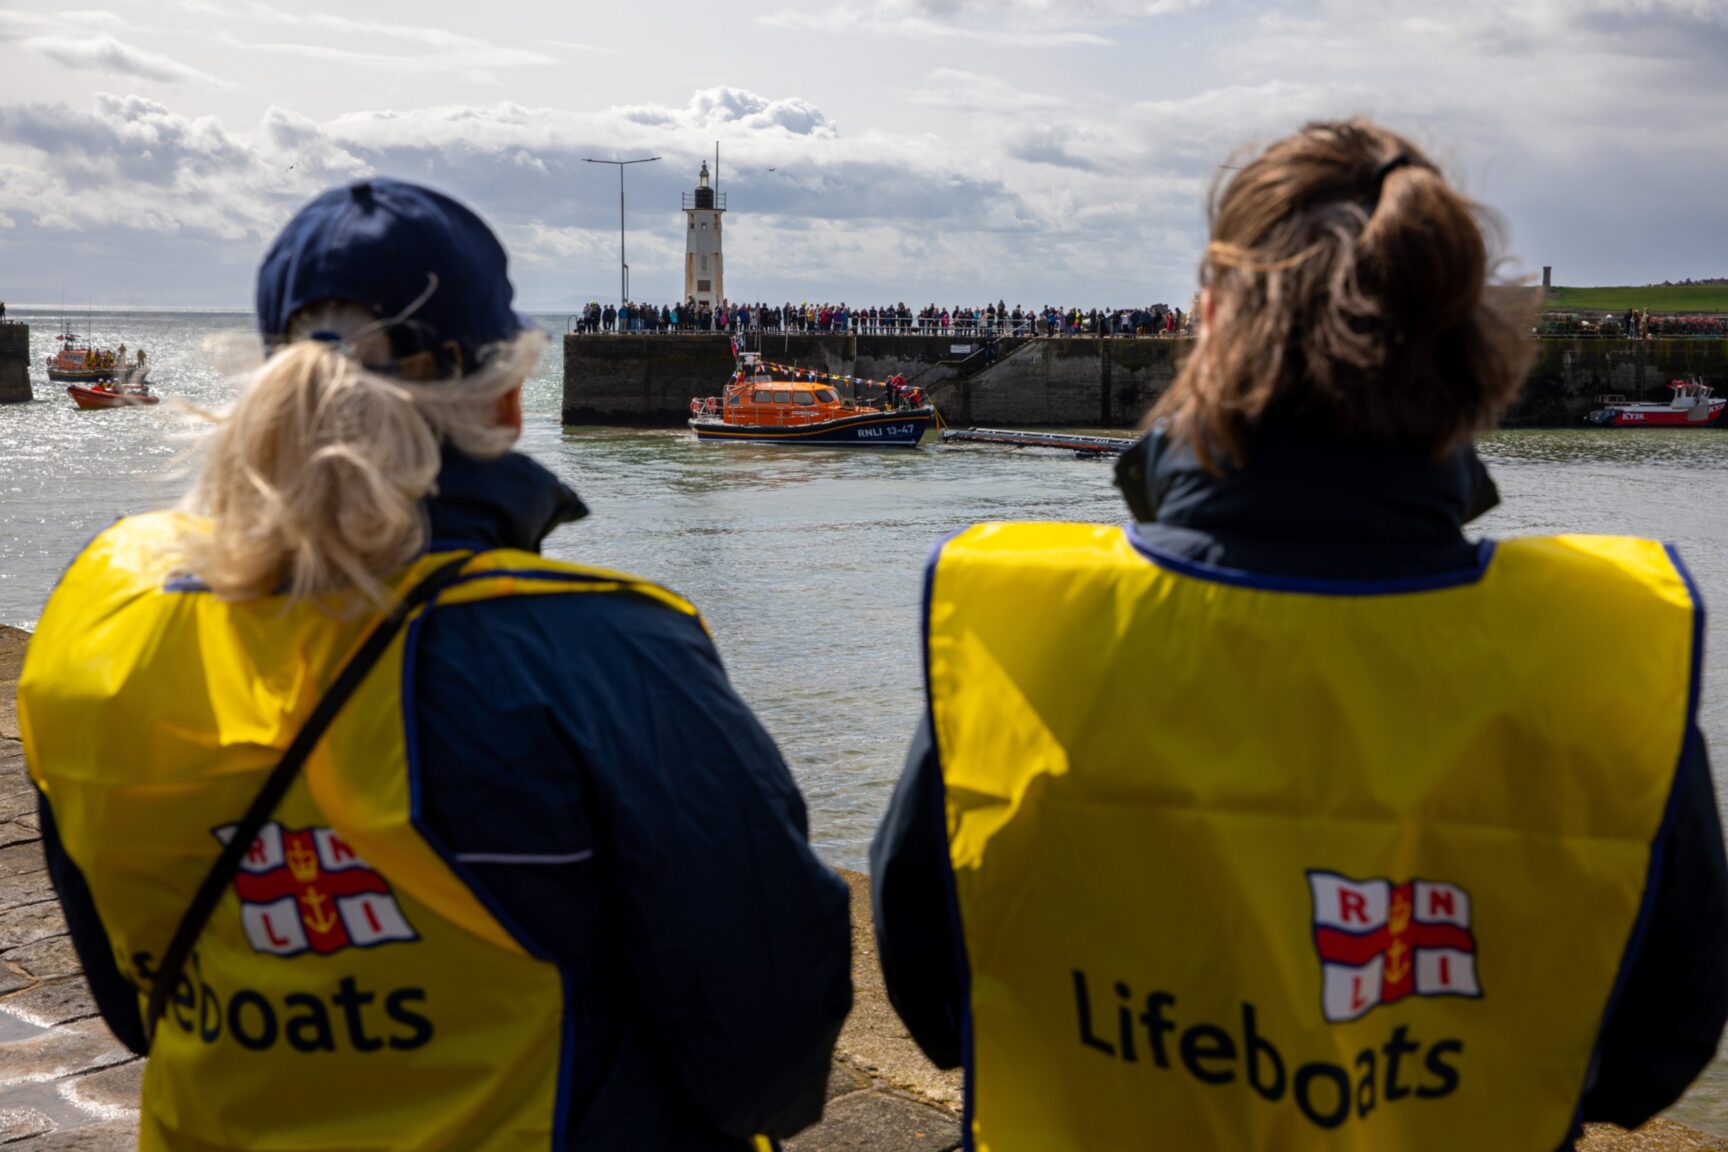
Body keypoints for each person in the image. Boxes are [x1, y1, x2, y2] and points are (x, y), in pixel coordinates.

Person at [871, 119, 1728, 1151]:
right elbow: (1655, 1049)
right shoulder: (1601, 650)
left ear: (1211, 318)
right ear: (1478, 353)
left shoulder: (1023, 625)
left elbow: (929, 988)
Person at [21, 178, 851, 1151]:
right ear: (505, 395)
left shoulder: (99, 612)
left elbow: (130, 1005)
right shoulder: (605, 656)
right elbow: (769, 1030)